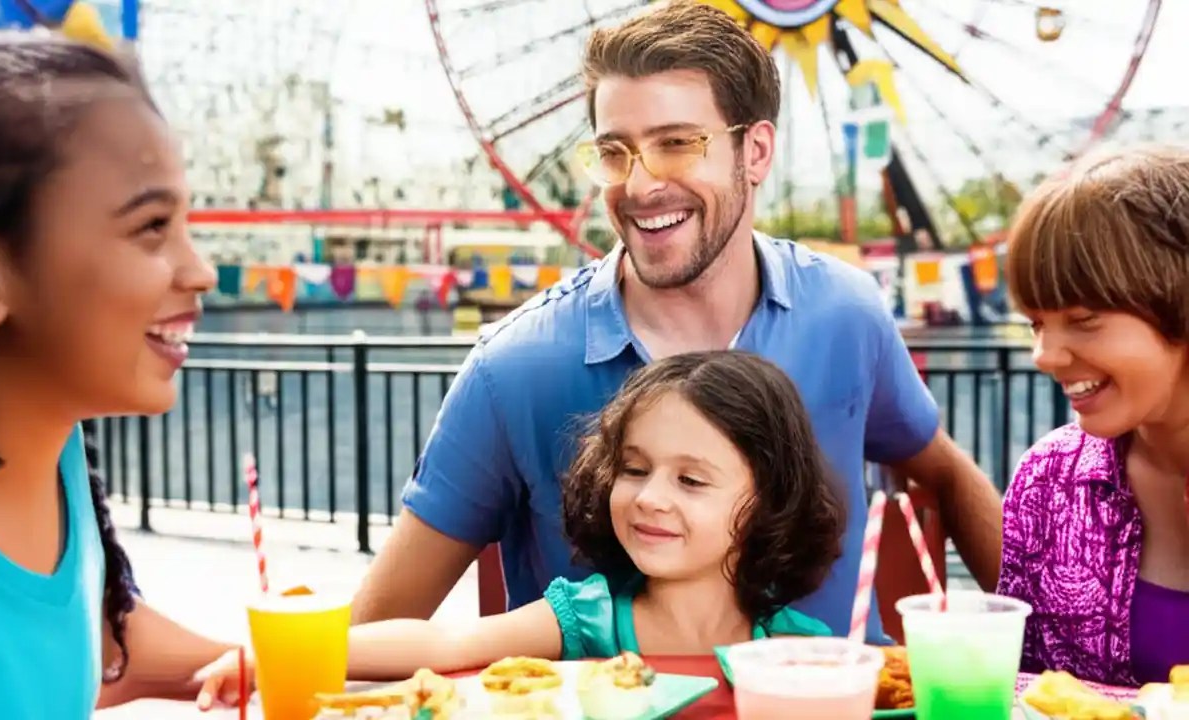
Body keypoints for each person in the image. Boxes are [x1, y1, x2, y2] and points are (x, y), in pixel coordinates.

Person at [352, 0, 1001, 643]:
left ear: (756, 152)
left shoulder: (847, 315)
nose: (640, 185)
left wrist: (1044, 659)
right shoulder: (513, 369)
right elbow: (375, 634)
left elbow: (942, 471)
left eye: (677, 145)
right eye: (615, 153)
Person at [0, 31, 248, 716]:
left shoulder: (51, 452)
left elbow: (104, 650)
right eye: (152, 226)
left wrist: (430, 651)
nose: (201, 270)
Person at [344, 351, 843, 679]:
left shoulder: (797, 646)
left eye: (690, 481)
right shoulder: (586, 617)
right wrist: (291, 652)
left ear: (769, 501)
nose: (649, 497)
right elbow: (448, 643)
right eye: (634, 469)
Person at [996, 144, 1189, 687]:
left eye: (1083, 320)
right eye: (1035, 324)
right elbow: (1022, 689)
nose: (1045, 356)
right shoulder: (1047, 480)